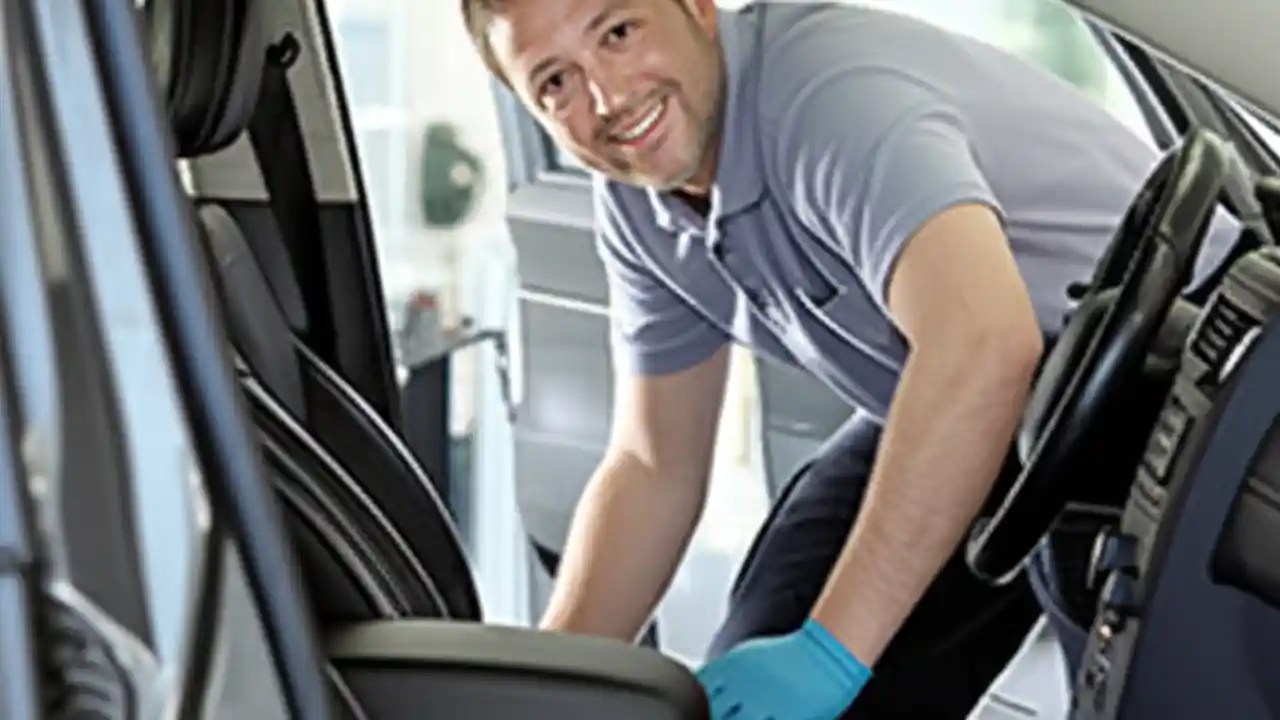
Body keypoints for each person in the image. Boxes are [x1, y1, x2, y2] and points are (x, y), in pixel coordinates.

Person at [462, 0, 1240, 717]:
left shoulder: (829, 95)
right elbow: (653, 463)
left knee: (1125, 690)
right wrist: (542, 690)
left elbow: (984, 346)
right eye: (555, 82)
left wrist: (831, 655)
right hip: (966, 387)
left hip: (1169, 367)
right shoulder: (639, 203)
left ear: (695, 7)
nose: (606, 98)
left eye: (618, 33)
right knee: (758, 676)